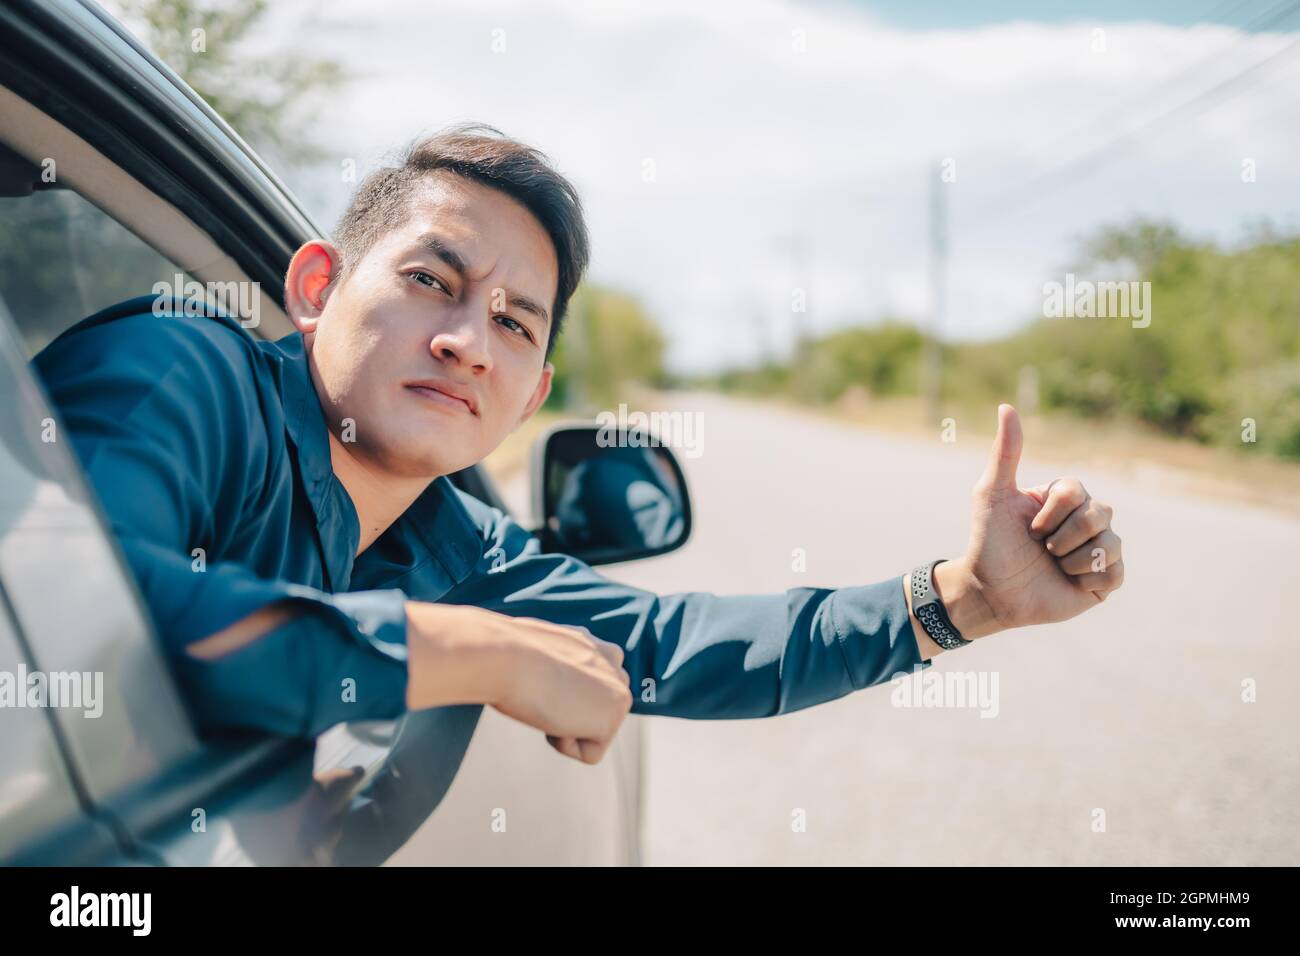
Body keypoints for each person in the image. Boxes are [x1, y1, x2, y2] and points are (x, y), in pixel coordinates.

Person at [33, 124, 1123, 772]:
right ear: (316, 288)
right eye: (430, 281)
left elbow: (684, 640)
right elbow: (78, 634)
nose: (467, 343)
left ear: (532, 394)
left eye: (514, 323)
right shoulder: (176, 371)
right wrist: (478, 655)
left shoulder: (457, 541)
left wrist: (967, 597)